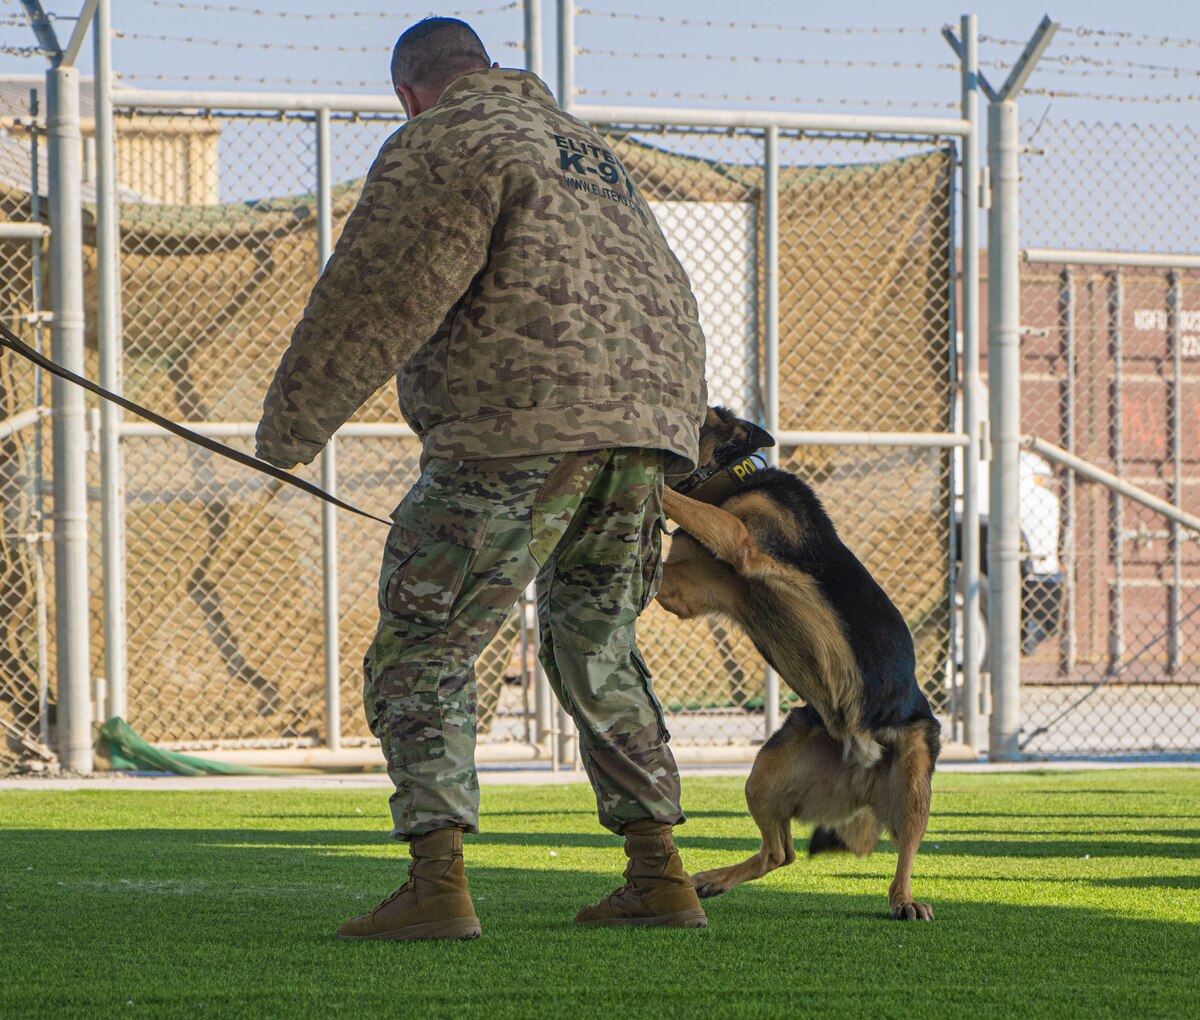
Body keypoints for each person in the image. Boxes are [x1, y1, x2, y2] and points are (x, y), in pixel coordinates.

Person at [256, 16, 708, 941]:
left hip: (516, 424)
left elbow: (380, 289)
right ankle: (660, 876)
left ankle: (438, 885)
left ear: (407, 94)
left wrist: (287, 432)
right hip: (650, 429)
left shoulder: (446, 138)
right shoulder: (592, 154)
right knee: (597, 643)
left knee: (425, 646)